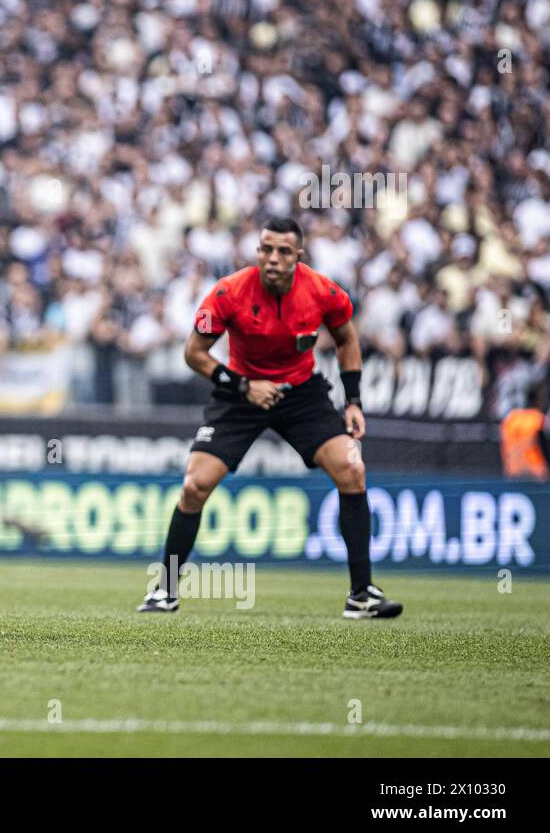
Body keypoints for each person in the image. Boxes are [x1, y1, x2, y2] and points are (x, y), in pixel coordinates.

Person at [138, 217, 403, 620]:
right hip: (240, 395)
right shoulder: (229, 292)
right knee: (194, 486)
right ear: (257, 252)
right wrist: (244, 386)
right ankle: (165, 592)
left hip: (301, 393)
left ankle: (361, 594)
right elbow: (194, 353)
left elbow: (348, 339)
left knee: (352, 469)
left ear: (299, 256)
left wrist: (353, 401)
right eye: (265, 249)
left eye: (283, 251)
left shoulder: (322, 291)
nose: (272, 258)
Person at [499, 381, 550, 480]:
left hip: (512, 472)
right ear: (538, 398)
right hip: (535, 473)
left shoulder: (511, 418)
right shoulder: (539, 419)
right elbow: (547, 447)